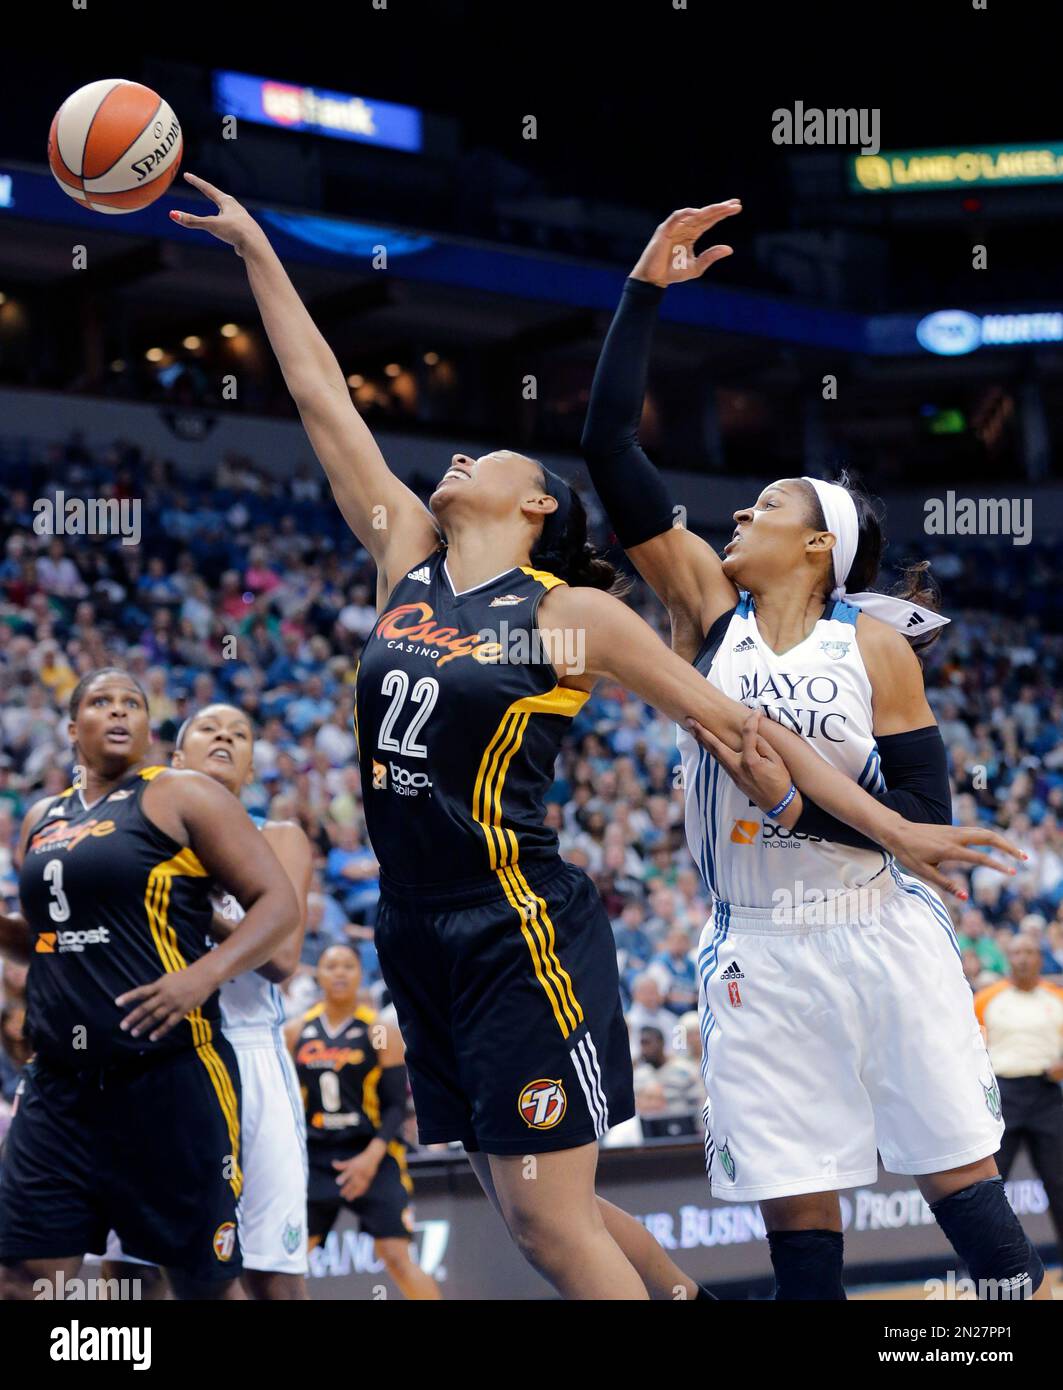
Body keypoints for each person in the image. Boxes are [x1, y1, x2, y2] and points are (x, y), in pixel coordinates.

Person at [171, 173, 1021, 1300]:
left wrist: (897, 831)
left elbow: (739, 727)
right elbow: (323, 395)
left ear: (538, 512)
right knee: (531, 1212)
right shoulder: (404, 562)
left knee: (553, 1219)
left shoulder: (575, 616)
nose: (462, 460)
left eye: (496, 461)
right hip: (416, 924)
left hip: (523, 927)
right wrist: (257, 255)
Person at [580, 200, 1050, 1301]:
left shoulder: (876, 646)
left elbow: (918, 827)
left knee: (963, 1190)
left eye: (767, 504)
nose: (737, 512)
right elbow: (608, 444)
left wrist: (795, 804)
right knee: (800, 1227)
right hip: (759, 943)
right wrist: (642, 288)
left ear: (816, 544)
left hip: (879, 929)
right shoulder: (705, 606)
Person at [0, 669, 298, 1300]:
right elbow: (48, 936)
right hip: (59, 1083)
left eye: (132, 704)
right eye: (101, 702)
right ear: (71, 727)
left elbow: (277, 905)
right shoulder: (41, 818)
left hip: (168, 1073)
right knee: (25, 1277)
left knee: (201, 1284)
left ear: (148, 726)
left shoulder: (180, 793)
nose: (118, 713)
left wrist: (203, 975)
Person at [102, 703, 314, 1300]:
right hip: (159, 1054)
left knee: (272, 1272)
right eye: (209, 730)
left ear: (249, 765)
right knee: (134, 1269)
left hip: (249, 1056)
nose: (225, 736)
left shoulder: (279, 836)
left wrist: (195, 900)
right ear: (175, 759)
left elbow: (283, 958)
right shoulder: (136, 838)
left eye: (240, 734)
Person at [286, 944, 440, 1299]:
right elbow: (290, 1108)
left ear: (360, 974)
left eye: (348, 966)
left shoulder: (381, 1031)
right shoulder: (295, 1031)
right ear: (318, 975)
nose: (340, 973)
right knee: (289, 1261)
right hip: (315, 1158)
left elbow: (396, 1109)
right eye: (331, 966)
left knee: (397, 1256)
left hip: (374, 1152)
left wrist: (370, 1160)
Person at [975, 935, 1063, 1266]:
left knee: (1060, 1183)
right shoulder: (986, 999)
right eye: (1016, 953)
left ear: (1040, 958)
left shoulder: (1057, 998)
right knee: (989, 1186)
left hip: (1047, 1096)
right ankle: (979, 1266)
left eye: (1029, 952)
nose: (1023, 958)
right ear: (1007, 958)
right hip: (1003, 1096)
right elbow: (967, 1046)